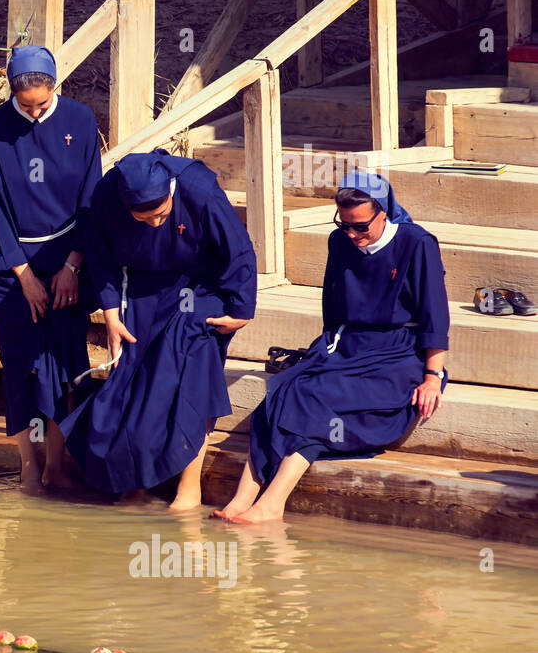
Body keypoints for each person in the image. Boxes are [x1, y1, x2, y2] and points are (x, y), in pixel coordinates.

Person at [212, 171, 449, 523]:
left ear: (383, 212)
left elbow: (435, 315)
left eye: (361, 226)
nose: (352, 234)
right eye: (344, 224)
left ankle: (272, 503)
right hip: (348, 345)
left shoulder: (417, 244)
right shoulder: (339, 242)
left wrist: (432, 376)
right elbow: (333, 306)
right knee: (283, 391)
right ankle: (243, 497)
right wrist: (325, 349)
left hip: (400, 353)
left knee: (316, 401)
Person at [60, 149, 256, 509]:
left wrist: (242, 309)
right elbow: (100, 256)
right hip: (141, 286)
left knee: (194, 357)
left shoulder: (198, 188)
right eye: (143, 218)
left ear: (171, 190)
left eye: (162, 215)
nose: (154, 224)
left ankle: (188, 488)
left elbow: (238, 249)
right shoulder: (107, 194)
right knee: (130, 381)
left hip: (200, 285)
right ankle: (133, 484)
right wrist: (110, 313)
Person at [0, 45, 103, 494]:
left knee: (65, 361)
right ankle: (28, 467)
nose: (32, 111)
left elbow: (92, 199)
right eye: (24, 104)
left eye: (42, 104)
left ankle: (56, 465)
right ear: (11, 92)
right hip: (11, 266)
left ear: (55, 89)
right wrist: (24, 277)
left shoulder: (81, 120)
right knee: (21, 364)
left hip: (68, 257)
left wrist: (72, 265)